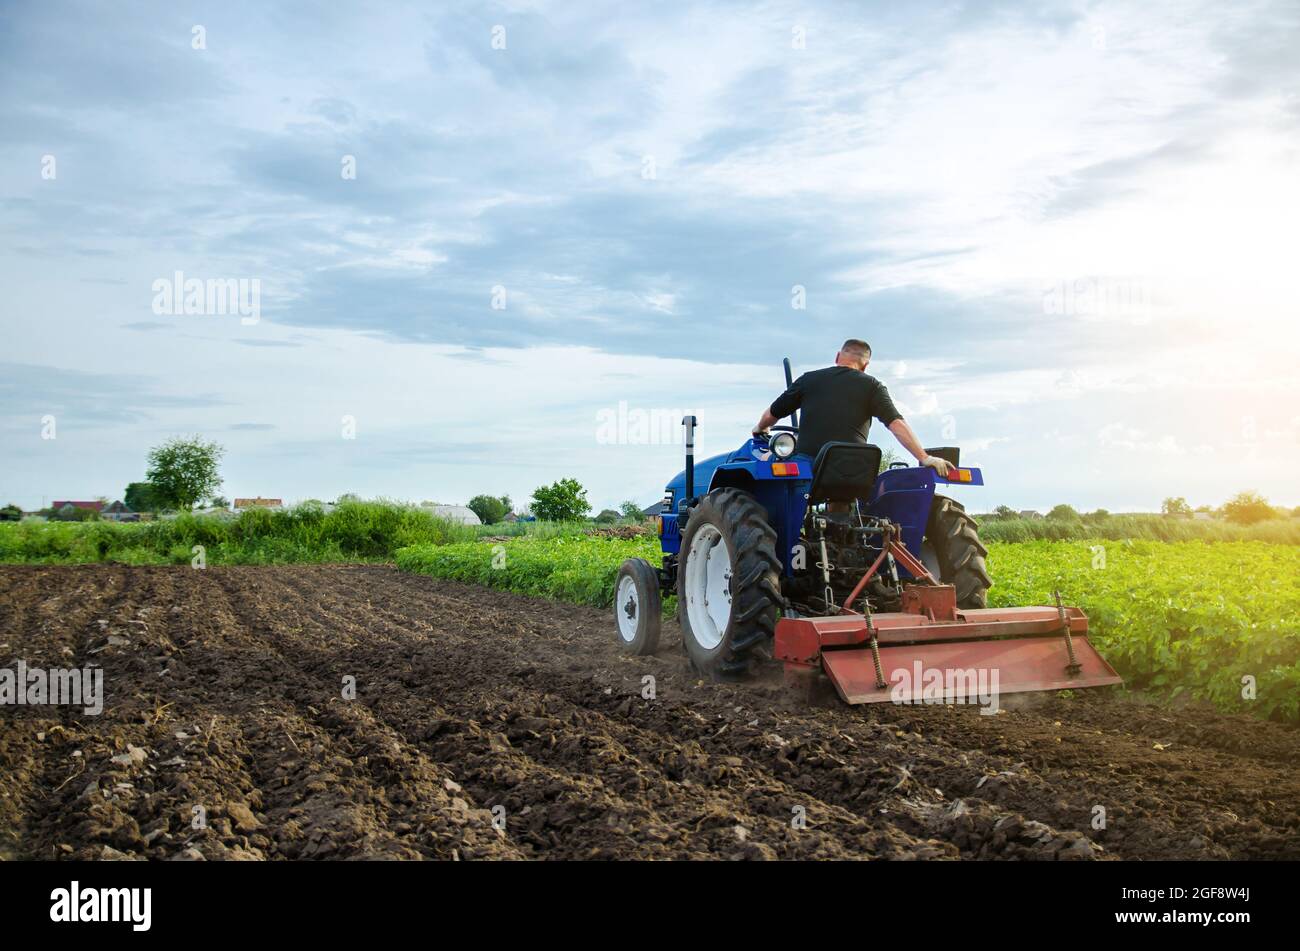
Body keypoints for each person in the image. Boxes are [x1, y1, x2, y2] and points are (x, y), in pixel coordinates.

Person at [752, 338, 954, 477]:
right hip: (856, 469)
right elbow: (896, 423)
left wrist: (760, 429)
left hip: (810, 465)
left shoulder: (809, 380)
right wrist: (924, 457)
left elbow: (772, 414)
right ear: (865, 366)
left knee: (769, 466)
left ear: (837, 356)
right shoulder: (872, 386)